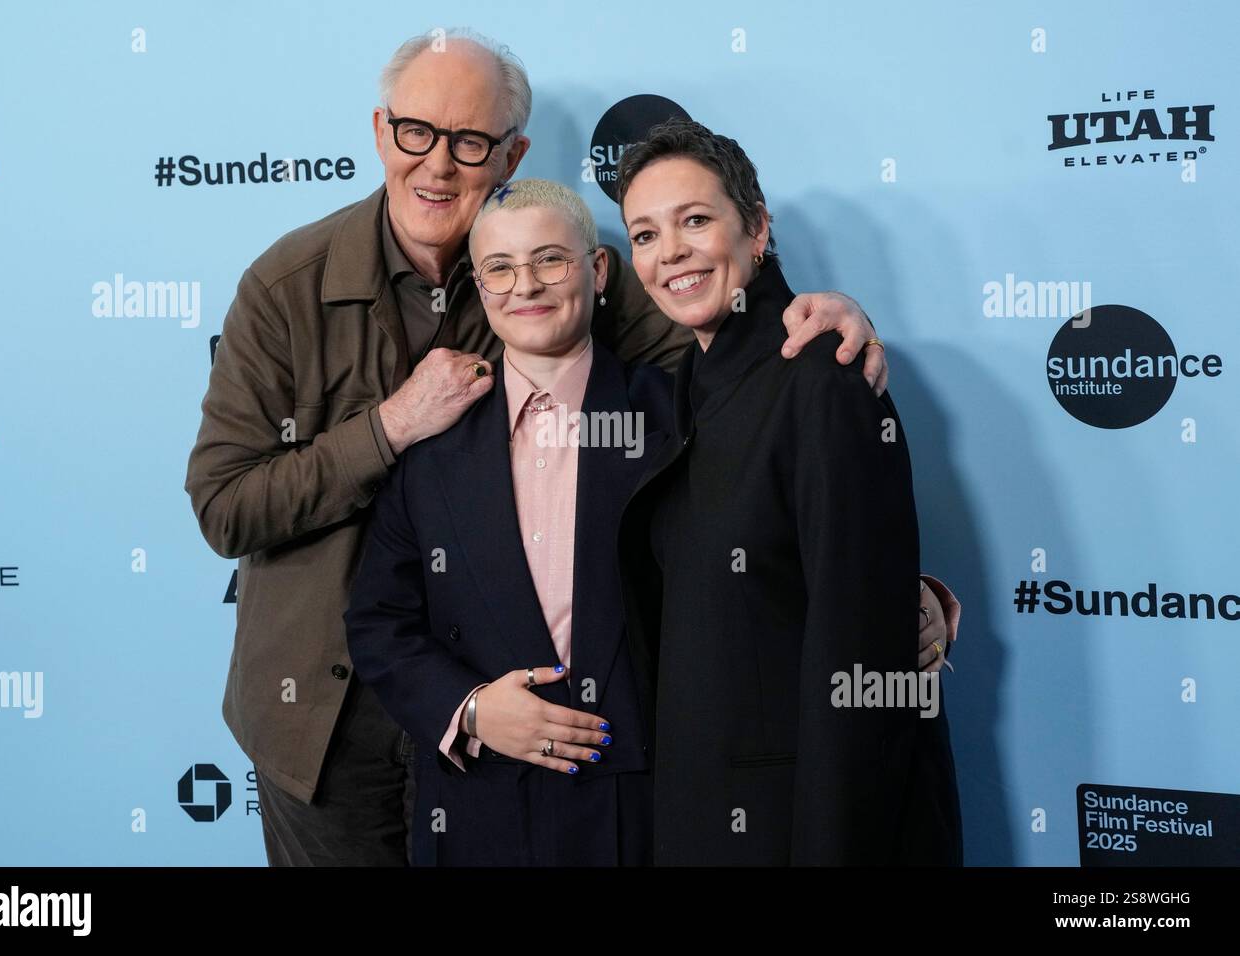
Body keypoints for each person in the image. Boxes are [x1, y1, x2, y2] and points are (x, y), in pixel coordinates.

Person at [183, 27, 892, 866]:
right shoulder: (285, 286)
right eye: (416, 131)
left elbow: (731, 387)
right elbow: (226, 506)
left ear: (512, 157)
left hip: (565, 737)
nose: (439, 164)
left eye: (471, 141)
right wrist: (391, 427)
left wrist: (815, 323)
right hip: (328, 725)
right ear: (381, 132)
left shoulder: (590, 280)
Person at [345, 179, 962, 865]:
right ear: (479, 286)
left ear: (598, 270)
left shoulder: (679, 413)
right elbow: (378, 620)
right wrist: (470, 709)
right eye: (500, 268)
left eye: (550, 259)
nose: (527, 285)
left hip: (649, 809)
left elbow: (775, 556)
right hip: (481, 809)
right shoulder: (433, 439)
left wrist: (911, 600)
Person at [615, 119, 963, 865]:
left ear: (758, 229)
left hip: (797, 827)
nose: (669, 251)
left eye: (695, 220)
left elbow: (862, 662)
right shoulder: (689, 385)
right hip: (709, 814)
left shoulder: (824, 377)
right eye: (643, 234)